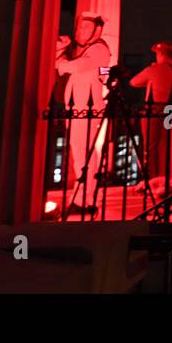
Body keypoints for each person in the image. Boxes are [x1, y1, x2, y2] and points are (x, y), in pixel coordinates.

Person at [55, 14, 112, 214]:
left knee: (83, 154)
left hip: (86, 108)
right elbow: (58, 60)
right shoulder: (89, 49)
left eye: (87, 27)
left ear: (96, 29)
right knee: (81, 153)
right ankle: (83, 197)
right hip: (79, 108)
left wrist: (62, 66)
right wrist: (62, 47)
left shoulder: (99, 48)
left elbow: (78, 66)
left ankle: (85, 199)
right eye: (80, 27)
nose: (81, 31)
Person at [130, 41, 172, 185]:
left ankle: (152, 178)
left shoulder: (154, 69)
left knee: (151, 144)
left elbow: (133, 82)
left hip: (155, 108)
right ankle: (166, 175)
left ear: (160, 54)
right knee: (167, 142)